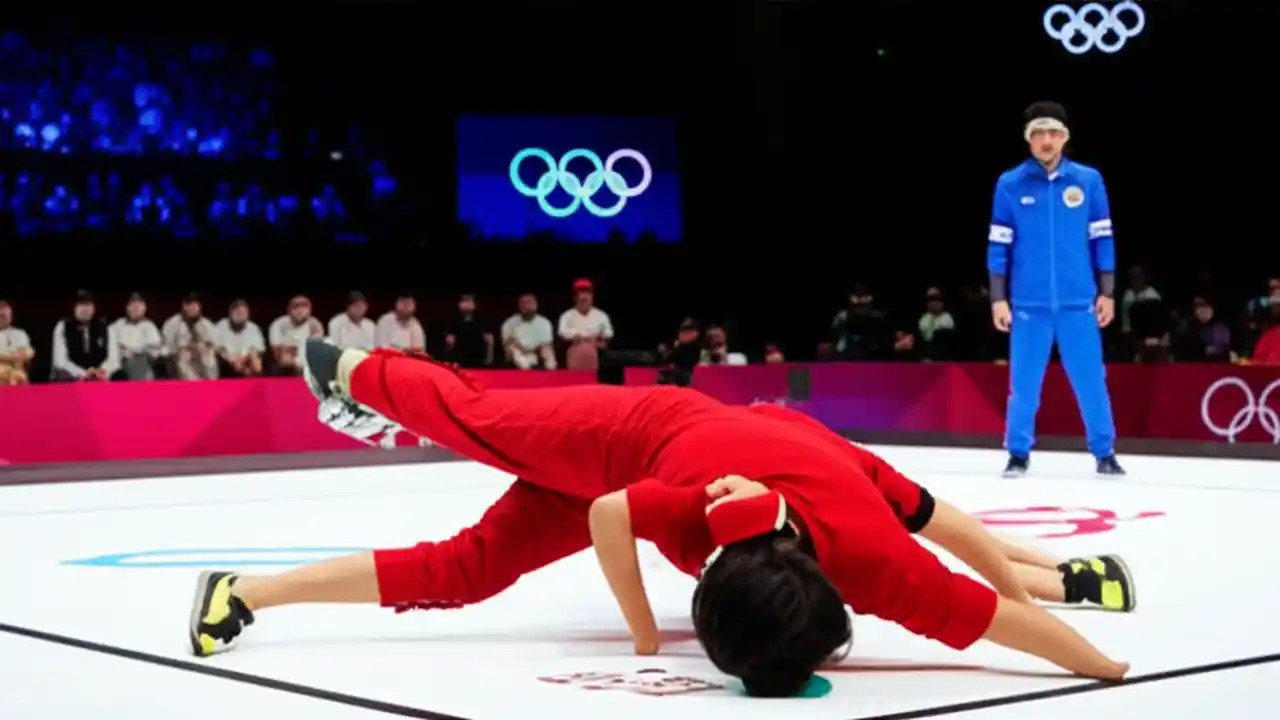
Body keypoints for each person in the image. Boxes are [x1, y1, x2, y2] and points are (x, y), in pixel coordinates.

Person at [188, 341, 1132, 696]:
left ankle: (246, 592)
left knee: (467, 569)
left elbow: (968, 557)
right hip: (633, 434)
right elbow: (608, 515)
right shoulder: (694, 518)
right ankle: (350, 367)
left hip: (788, 450)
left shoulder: (882, 557)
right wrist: (646, 630)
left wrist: (1104, 665)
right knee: (479, 422)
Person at [987, 101, 1125, 477]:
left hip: (1079, 302)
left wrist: (1107, 291)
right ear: (1028, 140)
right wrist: (999, 298)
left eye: (1053, 133)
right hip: (1029, 305)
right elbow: (999, 244)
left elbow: (1103, 237)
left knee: (1091, 382)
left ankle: (1104, 452)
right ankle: (1017, 453)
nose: (1046, 141)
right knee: (1024, 386)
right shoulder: (1010, 184)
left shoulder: (1088, 180)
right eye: (1038, 134)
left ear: (1065, 137)